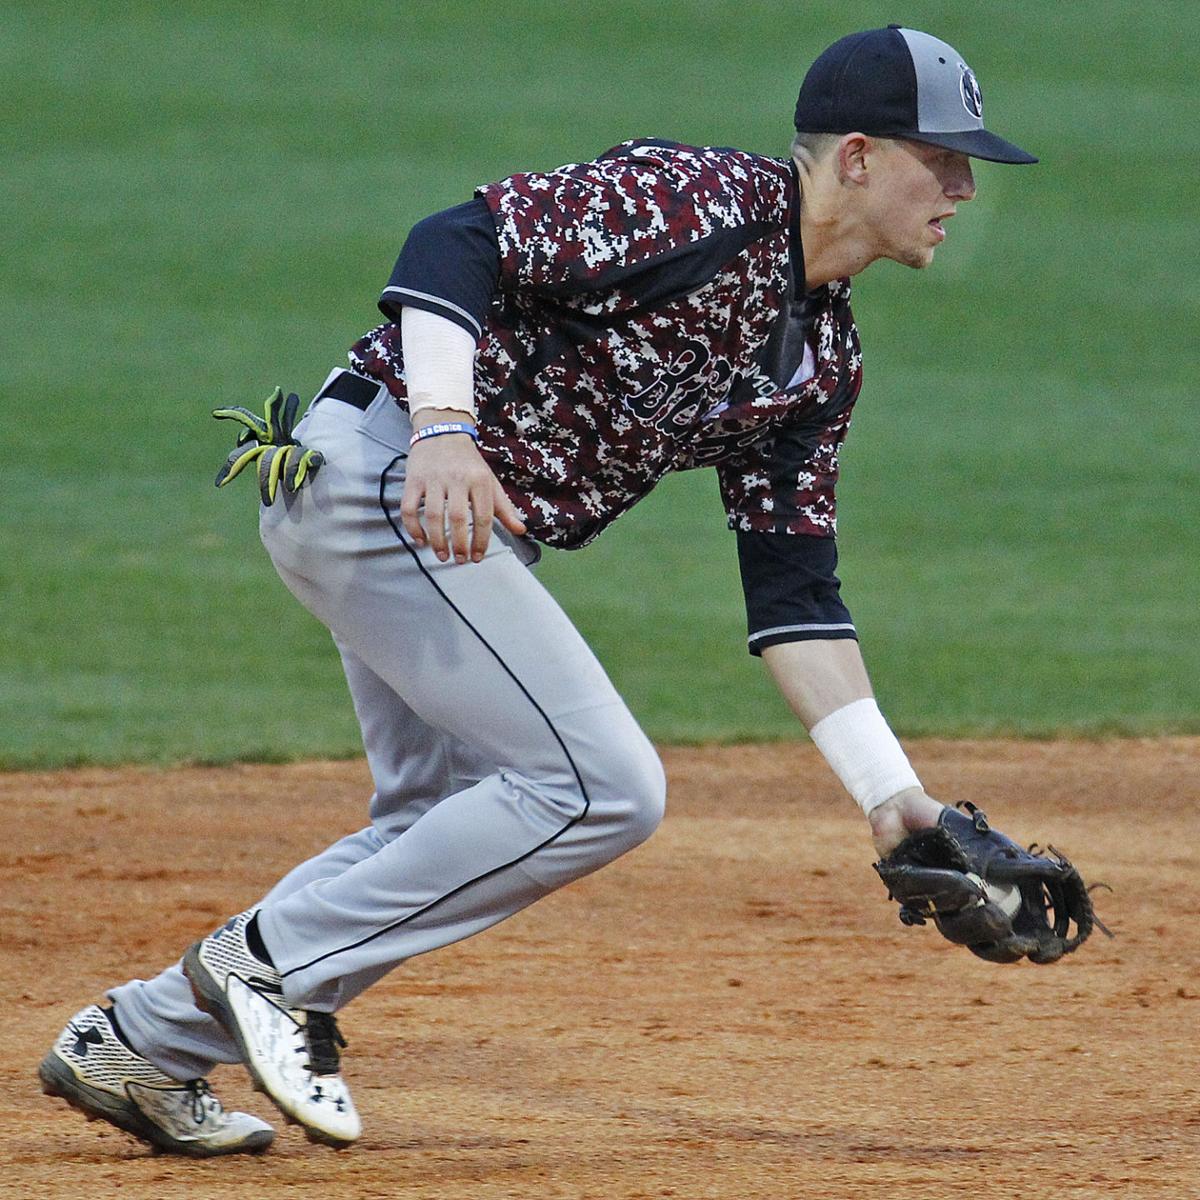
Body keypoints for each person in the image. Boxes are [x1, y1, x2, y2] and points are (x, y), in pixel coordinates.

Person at [40, 25, 1037, 1155]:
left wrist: (892, 798)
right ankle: (269, 968)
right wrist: (446, 428)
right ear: (855, 157)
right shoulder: (699, 200)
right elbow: (456, 240)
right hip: (385, 474)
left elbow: (795, 594)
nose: (962, 184)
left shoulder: (818, 360)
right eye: (940, 158)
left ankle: (138, 1043)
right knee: (601, 786)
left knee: (440, 821)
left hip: (440, 532)